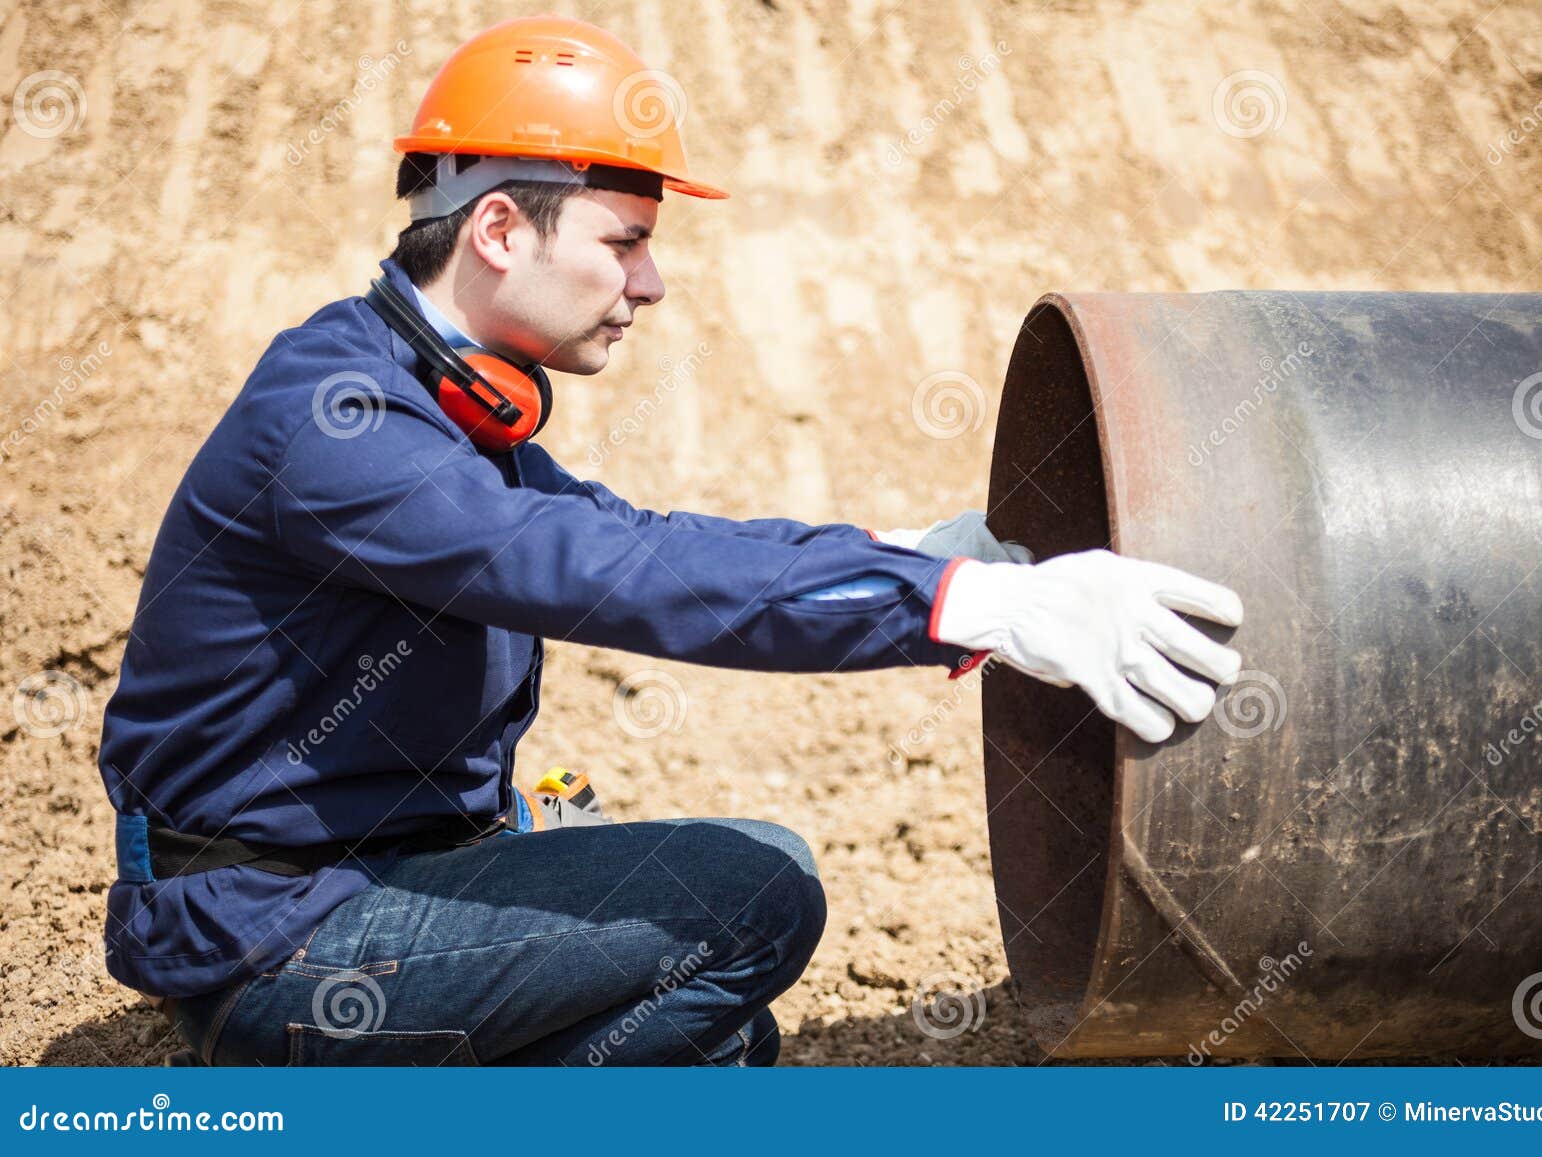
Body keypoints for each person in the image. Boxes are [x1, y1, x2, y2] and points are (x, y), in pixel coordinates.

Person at [98, 16, 1244, 1067]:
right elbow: (608, 573)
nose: (651, 282)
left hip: (362, 879)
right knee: (758, 889)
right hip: (271, 945)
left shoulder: (426, 396)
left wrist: (903, 555)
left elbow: (623, 534)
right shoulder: (339, 424)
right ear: (499, 226)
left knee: (722, 1041)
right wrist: (953, 605)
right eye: (625, 241)